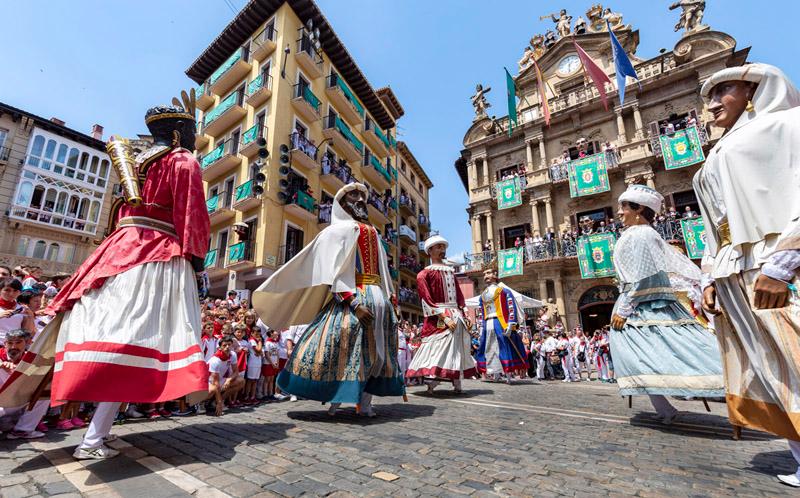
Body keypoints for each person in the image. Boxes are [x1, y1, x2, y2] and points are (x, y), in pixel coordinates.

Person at [0, 102, 210, 459]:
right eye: (190, 133)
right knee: (136, 343)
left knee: (125, 341)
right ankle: (92, 440)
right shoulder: (182, 161)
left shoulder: (140, 163)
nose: (193, 139)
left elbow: (120, 215)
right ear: (177, 134)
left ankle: (99, 431)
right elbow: (191, 214)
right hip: (158, 252)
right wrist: (197, 261)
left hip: (116, 252)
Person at [694, 63, 800, 488]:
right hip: (733, 265)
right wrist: (708, 274)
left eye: (726, 90)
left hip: (773, 261)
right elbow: (712, 221)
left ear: (755, 90)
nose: (714, 103)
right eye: (710, 96)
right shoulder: (720, 148)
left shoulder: (786, 125)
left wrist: (786, 260)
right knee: (771, 365)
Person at [253, 183, 403, 417]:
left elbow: (383, 271)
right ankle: (336, 397)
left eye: (363, 195)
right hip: (354, 298)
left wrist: (391, 299)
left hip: (378, 298)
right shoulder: (335, 232)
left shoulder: (374, 233)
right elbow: (333, 273)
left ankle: (365, 403)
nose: (361, 199)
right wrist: (353, 302)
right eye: (354, 195)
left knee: (377, 354)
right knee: (343, 348)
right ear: (342, 204)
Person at [609, 184, 725, 424]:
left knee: (676, 350)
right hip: (635, 303)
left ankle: (730, 382)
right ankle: (664, 408)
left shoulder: (643, 234)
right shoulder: (633, 234)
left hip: (643, 306)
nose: (619, 212)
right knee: (637, 356)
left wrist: (624, 308)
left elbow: (646, 276)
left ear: (639, 208)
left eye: (623, 207)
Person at [406, 235, 477, 393]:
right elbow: (427, 299)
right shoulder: (423, 275)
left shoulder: (451, 272)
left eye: (443, 247)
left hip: (456, 314)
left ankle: (457, 382)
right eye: (438, 247)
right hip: (438, 317)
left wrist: (465, 313)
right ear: (430, 251)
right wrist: (443, 317)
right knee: (438, 349)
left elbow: (459, 295)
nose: (442, 250)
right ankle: (433, 381)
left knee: (458, 348)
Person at [474, 262, 528, 383]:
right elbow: (482, 313)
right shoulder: (482, 296)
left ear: (495, 274)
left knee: (504, 347)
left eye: (488, 273)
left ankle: (508, 374)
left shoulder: (504, 291)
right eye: (484, 274)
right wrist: (481, 327)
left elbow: (511, 308)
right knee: (490, 348)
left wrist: (511, 323)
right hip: (487, 324)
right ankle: (495, 373)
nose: (485, 276)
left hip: (500, 322)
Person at [0, 329, 49, 439]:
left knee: (43, 395)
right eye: (10, 343)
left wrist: (20, 371)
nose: (13, 347)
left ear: (27, 343)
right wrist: (2, 365)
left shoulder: (31, 358)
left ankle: (23, 430)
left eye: (18, 342)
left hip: (15, 403)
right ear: (5, 344)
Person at [207, 335, 245, 416]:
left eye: (229, 345)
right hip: (208, 382)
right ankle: (201, 403)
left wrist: (228, 380)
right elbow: (215, 382)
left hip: (220, 380)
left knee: (241, 381)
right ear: (219, 347)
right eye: (224, 345)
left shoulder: (233, 354)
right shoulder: (215, 360)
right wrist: (219, 402)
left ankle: (215, 402)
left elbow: (236, 372)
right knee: (212, 390)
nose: (227, 347)